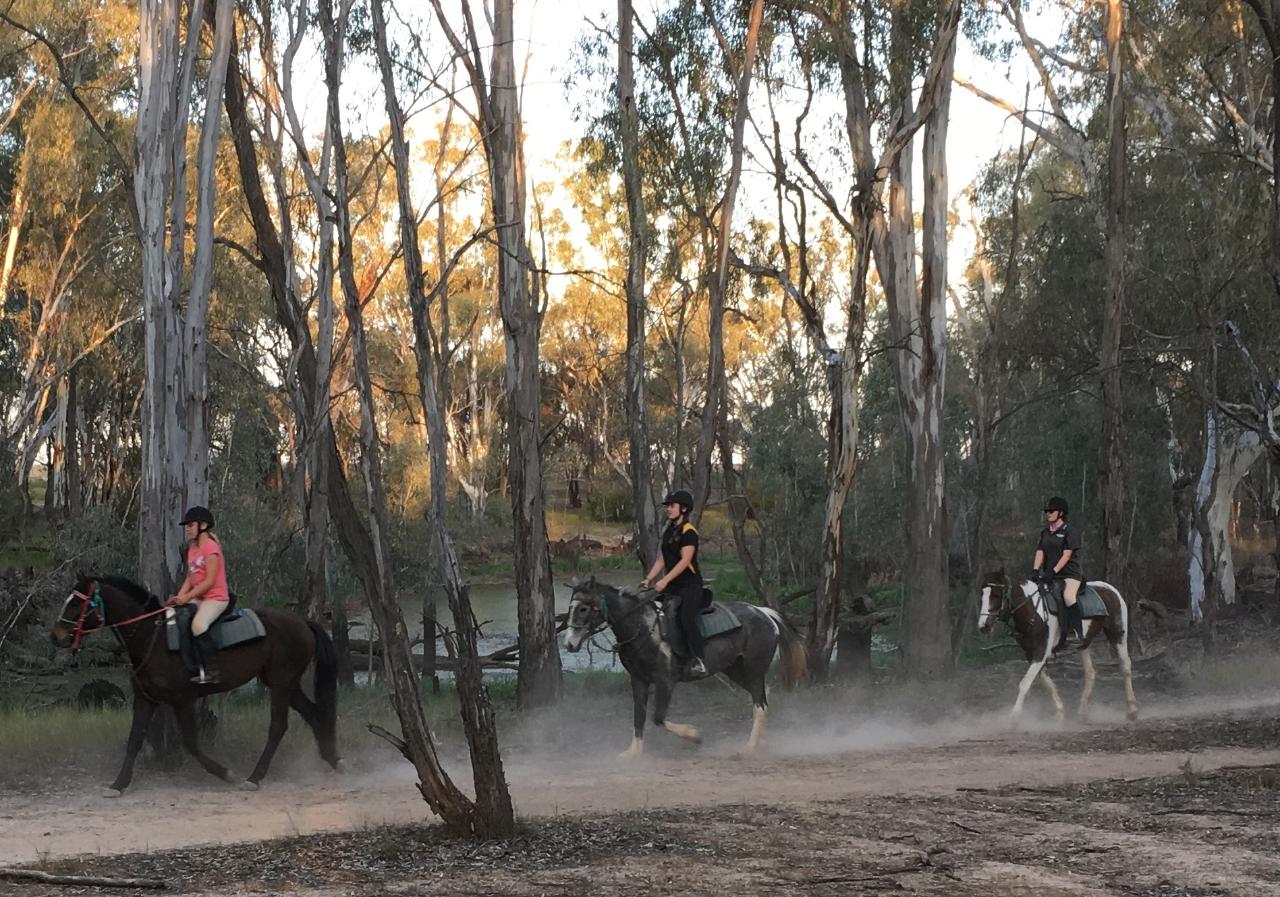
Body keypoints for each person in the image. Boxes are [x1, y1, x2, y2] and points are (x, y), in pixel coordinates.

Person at [640, 489, 707, 677]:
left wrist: (664, 580)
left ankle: (698, 659)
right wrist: (649, 579)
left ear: (683, 509)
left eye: (672, 506)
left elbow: (685, 561)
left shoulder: (689, 532)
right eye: (667, 506)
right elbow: (662, 559)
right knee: (656, 615)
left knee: (686, 619)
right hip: (674, 586)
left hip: (690, 586)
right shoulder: (669, 530)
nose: (668, 509)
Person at [171, 506, 230, 684]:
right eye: (187, 526)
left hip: (216, 598)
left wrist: (187, 598)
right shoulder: (193, 548)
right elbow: (191, 576)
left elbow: (209, 581)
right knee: (176, 616)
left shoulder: (211, 548)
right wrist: (178, 598)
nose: (187, 528)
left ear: (203, 525)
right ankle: (188, 665)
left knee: (198, 625)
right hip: (201, 598)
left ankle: (212, 672)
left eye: (190, 525)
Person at [1034, 496, 1083, 651]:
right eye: (1046, 511)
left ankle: (1075, 632)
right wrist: (1035, 569)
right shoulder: (1045, 532)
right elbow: (1040, 552)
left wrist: (1052, 571)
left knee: (1068, 597)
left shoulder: (1069, 531)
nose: (1047, 513)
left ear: (1060, 513)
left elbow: (1066, 555)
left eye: (1051, 511)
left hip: (1070, 574)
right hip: (1051, 575)